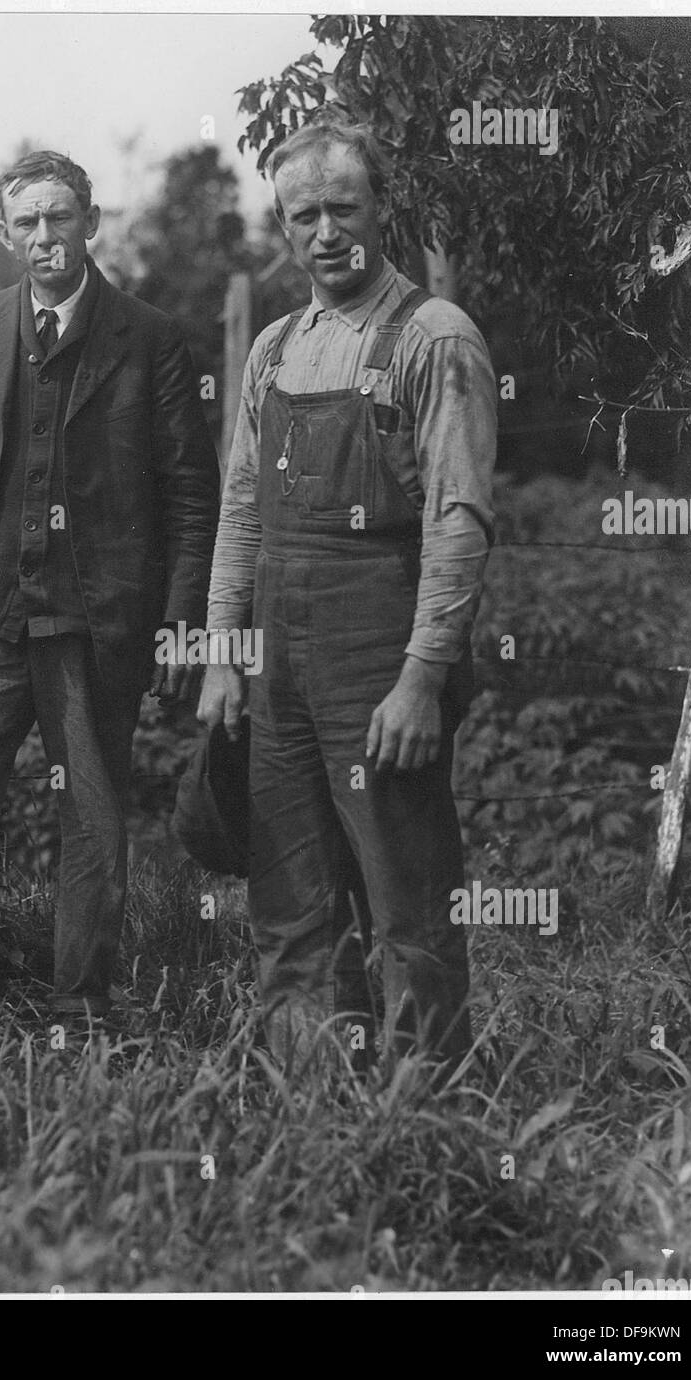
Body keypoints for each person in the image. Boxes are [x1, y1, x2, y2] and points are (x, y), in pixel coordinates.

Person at [198, 116, 496, 1077]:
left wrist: (421, 679)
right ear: (283, 228)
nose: (325, 232)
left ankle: (426, 1114)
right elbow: (241, 510)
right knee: (290, 901)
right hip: (278, 666)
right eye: (303, 216)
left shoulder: (434, 337)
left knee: (407, 897)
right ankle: (312, 1105)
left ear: (382, 208)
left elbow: (459, 519)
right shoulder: (275, 348)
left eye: (342, 208)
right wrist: (223, 656)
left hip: (379, 654)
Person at [0, 150, 219, 1028]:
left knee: (92, 813)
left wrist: (180, 620)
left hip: (97, 619)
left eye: (60, 216)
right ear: (4, 235)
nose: (45, 235)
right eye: (27, 222)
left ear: (91, 222)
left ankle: (79, 1011)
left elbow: (191, 495)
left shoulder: (149, 336)